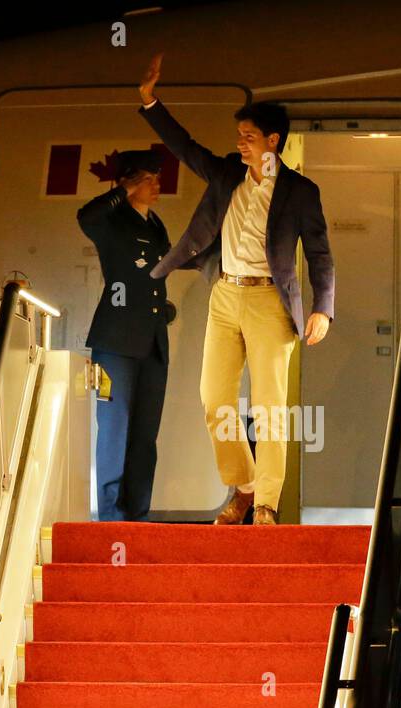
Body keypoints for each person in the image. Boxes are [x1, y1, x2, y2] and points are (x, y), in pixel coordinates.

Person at [137, 52, 334, 526]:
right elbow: (184, 148)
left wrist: (323, 308)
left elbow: (321, 253)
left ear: (273, 141)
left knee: (270, 409)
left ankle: (266, 502)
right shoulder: (227, 173)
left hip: (271, 301)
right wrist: (150, 102)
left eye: (248, 138)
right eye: (239, 138)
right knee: (214, 399)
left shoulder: (301, 192)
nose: (240, 144)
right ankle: (244, 484)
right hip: (225, 295)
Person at [76, 149, 172, 522]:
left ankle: (137, 514)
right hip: (116, 340)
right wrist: (123, 191)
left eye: (156, 179)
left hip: (152, 341)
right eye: (148, 179)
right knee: (115, 429)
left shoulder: (154, 224)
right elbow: (86, 216)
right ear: (129, 181)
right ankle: (112, 516)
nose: (156, 185)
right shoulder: (110, 220)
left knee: (145, 434)